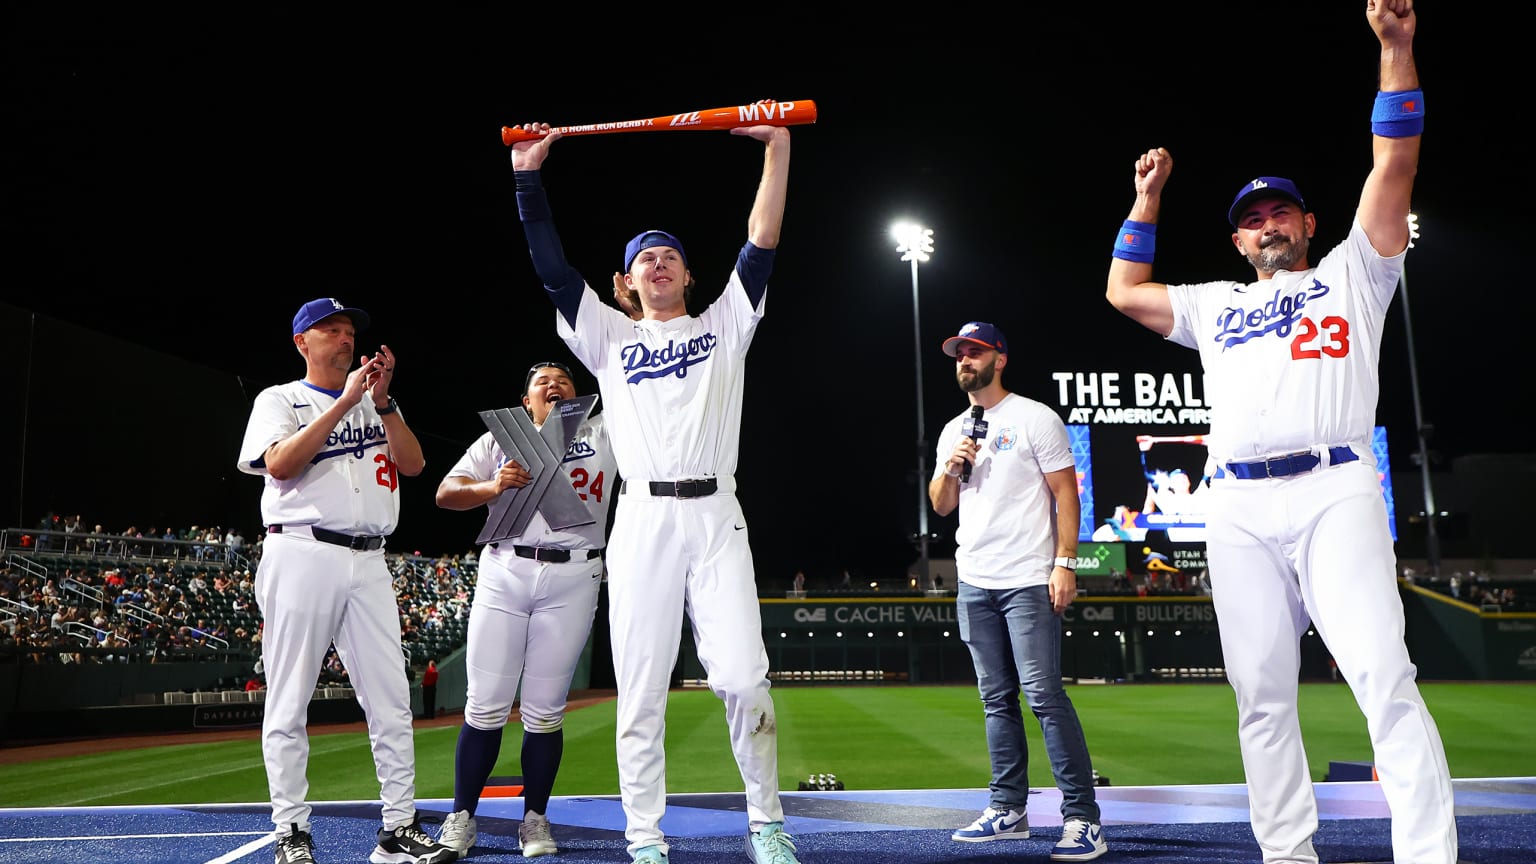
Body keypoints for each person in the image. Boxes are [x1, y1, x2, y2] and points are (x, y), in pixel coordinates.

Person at [1103, 4, 1456, 862]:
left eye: (1282, 213)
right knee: (1260, 697)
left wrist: (1396, 48)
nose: (1269, 224)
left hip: (1335, 489)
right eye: (1254, 218)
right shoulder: (1215, 304)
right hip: (1237, 510)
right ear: (1237, 239)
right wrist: (1147, 199)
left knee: (1383, 678)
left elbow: (1395, 159)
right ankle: (1288, 855)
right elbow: (1123, 289)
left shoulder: (1353, 271)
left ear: (1306, 223)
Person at [507, 113, 801, 864]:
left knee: (742, 677)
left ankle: (765, 822)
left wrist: (778, 150)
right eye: (647, 260)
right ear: (626, 282)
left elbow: (761, 242)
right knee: (638, 689)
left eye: (671, 256)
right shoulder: (609, 337)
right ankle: (645, 837)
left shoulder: (726, 324)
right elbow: (550, 268)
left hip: (714, 513)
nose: (661, 264)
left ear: (688, 275)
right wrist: (528, 177)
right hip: (640, 518)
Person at [237, 297, 456, 864]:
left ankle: (398, 827)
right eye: (329, 330)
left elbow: (413, 465)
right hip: (302, 551)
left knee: (391, 699)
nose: (343, 338)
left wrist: (381, 404)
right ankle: (292, 833)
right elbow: (280, 464)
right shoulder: (281, 399)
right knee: (288, 701)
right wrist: (344, 405)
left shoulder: (375, 406)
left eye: (348, 330)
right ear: (301, 343)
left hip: (370, 559)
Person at [928, 321, 1108, 862]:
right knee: (994, 700)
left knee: (1045, 697)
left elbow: (1066, 496)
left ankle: (1082, 819)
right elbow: (939, 505)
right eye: (959, 353)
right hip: (975, 579)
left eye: (974, 352)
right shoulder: (954, 428)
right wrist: (952, 467)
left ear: (999, 358)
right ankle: (1008, 809)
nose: (964, 360)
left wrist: (1065, 564)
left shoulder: (1035, 417)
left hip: (1029, 577)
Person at [434, 360, 617, 858]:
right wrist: (492, 487)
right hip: (506, 568)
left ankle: (534, 819)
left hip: (575, 573)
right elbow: (445, 493)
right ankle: (462, 817)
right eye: (543, 381)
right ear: (526, 401)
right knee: (486, 703)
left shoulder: (605, 429)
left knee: (544, 711)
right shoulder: (503, 438)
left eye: (564, 380)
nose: (554, 385)